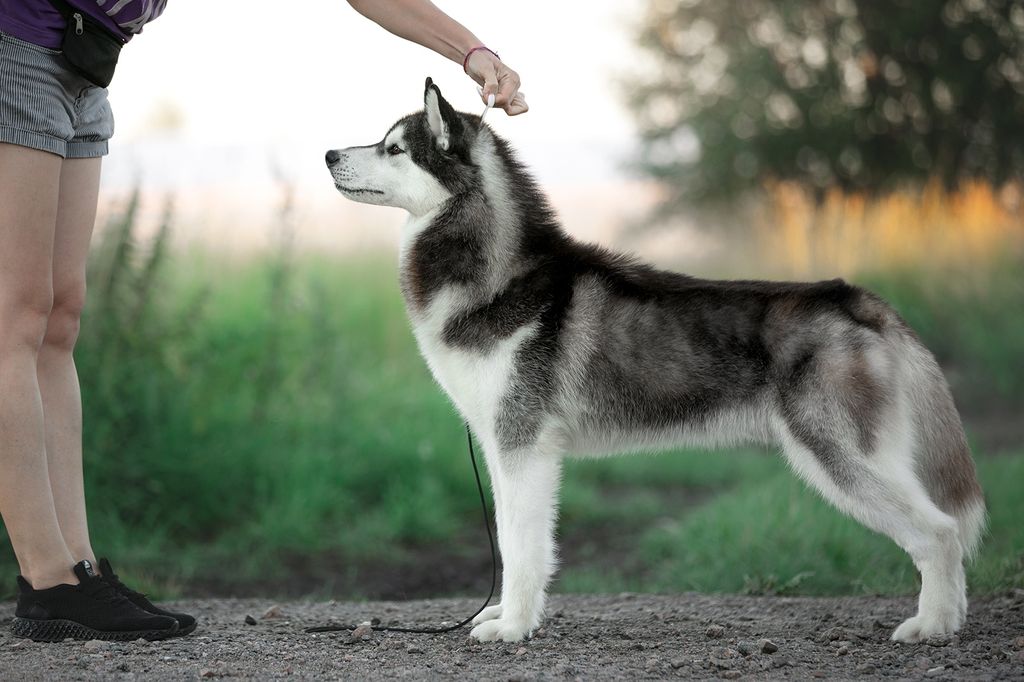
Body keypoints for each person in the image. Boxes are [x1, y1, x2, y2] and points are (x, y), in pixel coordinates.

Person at [0, 0, 526, 642]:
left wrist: (471, 51)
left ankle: (77, 572)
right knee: (17, 317)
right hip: (15, 48)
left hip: (82, 63)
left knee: (59, 318)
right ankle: (47, 580)